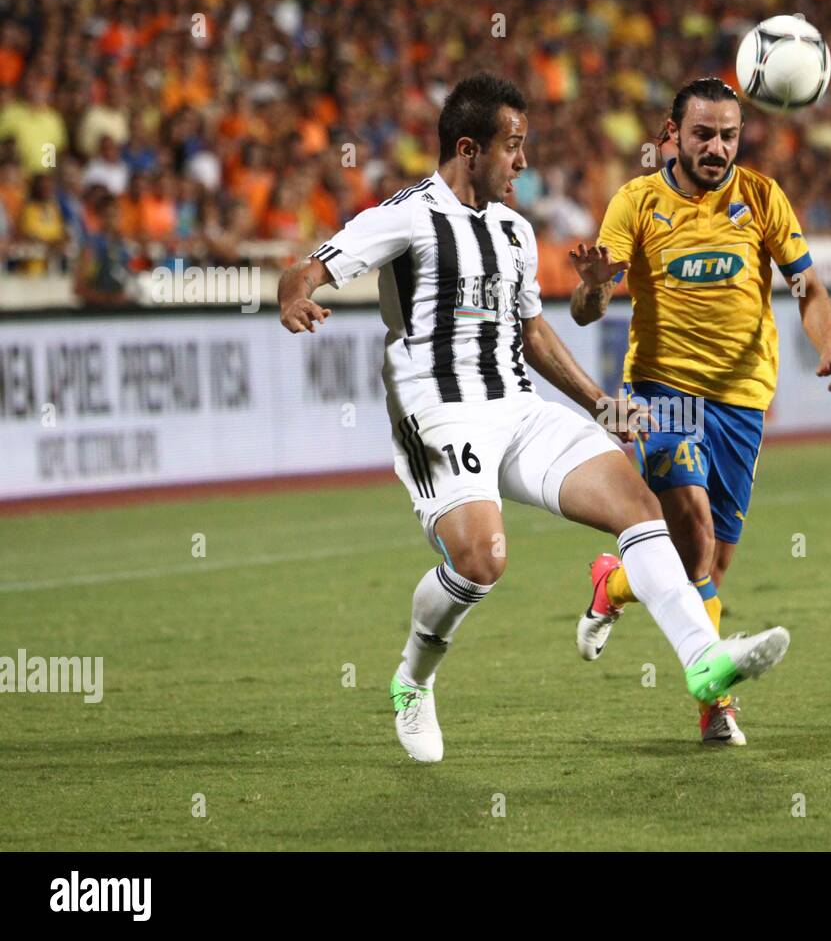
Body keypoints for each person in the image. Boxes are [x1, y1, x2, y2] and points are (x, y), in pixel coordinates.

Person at [277, 74, 790, 763]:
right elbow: (305, 269)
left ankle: (704, 662)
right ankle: (412, 681)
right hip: (440, 415)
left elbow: (534, 336)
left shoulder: (515, 232)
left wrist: (599, 403)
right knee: (482, 561)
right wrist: (294, 299)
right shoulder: (406, 217)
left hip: (517, 408)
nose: (522, 162)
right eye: (512, 147)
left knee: (639, 505)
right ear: (468, 149)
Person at [569, 77, 831, 745]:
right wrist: (590, 290)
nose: (717, 147)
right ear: (670, 134)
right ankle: (715, 701)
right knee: (693, 530)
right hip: (661, 392)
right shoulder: (637, 202)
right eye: (703, 133)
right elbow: (592, 305)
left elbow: (807, 286)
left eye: (729, 134)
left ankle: (614, 585)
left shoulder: (760, 196)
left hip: (743, 400)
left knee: (710, 565)